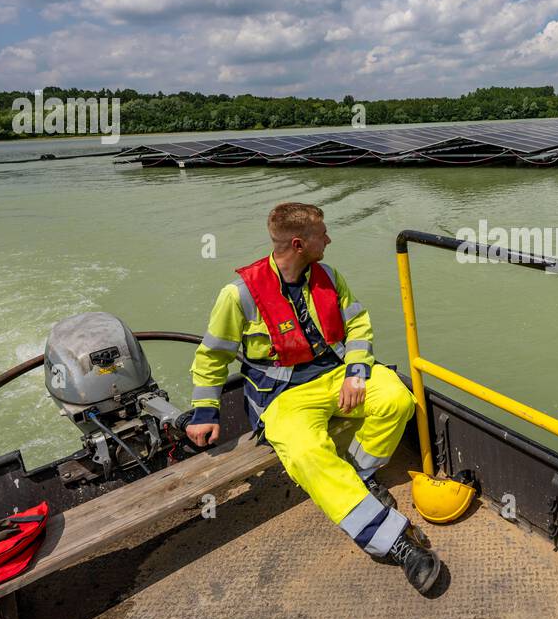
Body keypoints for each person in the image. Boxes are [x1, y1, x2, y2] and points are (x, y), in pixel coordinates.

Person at [185, 202, 443, 594]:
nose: (329, 238)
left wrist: (357, 372)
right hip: (282, 395)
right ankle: (394, 541)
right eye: (323, 234)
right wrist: (205, 410)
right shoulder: (238, 295)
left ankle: (356, 477)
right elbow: (212, 355)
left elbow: (358, 324)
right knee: (306, 452)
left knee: (396, 398)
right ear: (299, 243)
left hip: (336, 374)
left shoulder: (330, 276)